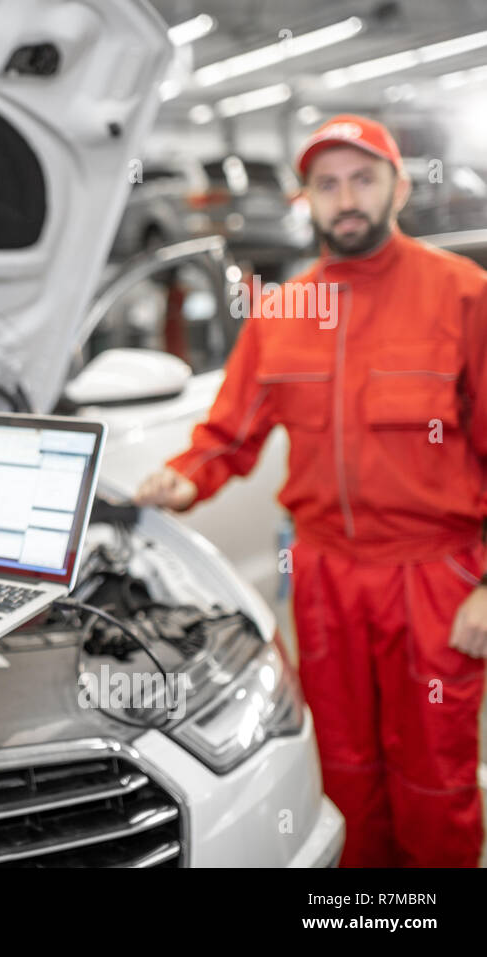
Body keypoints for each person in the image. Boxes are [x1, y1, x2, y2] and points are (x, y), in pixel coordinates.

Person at [135, 114, 487, 867]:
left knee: (434, 776)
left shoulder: (463, 296)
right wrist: (182, 477)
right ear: (308, 199)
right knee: (344, 770)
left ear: (396, 186)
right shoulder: (283, 311)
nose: (345, 197)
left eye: (363, 178)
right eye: (327, 184)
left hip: (434, 578)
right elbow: (228, 437)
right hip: (326, 581)